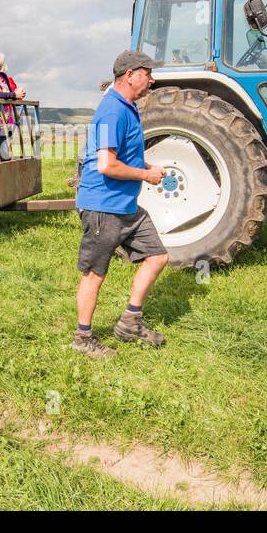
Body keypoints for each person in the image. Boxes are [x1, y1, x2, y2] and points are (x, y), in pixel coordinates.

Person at [71, 50, 170, 359]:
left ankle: (130, 321)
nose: (151, 80)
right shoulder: (112, 111)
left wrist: (146, 167)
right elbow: (106, 165)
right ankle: (83, 338)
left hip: (126, 204)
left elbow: (122, 157)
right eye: (147, 73)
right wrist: (146, 175)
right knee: (94, 274)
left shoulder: (128, 106)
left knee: (157, 257)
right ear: (130, 75)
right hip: (103, 206)